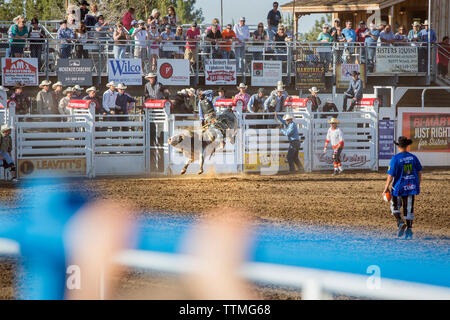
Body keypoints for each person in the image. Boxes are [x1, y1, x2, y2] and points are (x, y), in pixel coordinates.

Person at [383, 136, 422, 240]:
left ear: (398, 146)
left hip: (399, 187)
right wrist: (418, 184)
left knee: (394, 206)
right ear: (407, 146)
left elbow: (390, 175)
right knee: (408, 208)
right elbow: (419, 172)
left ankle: (400, 222)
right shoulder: (413, 157)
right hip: (411, 186)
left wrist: (386, 187)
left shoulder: (395, 159)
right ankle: (409, 229)